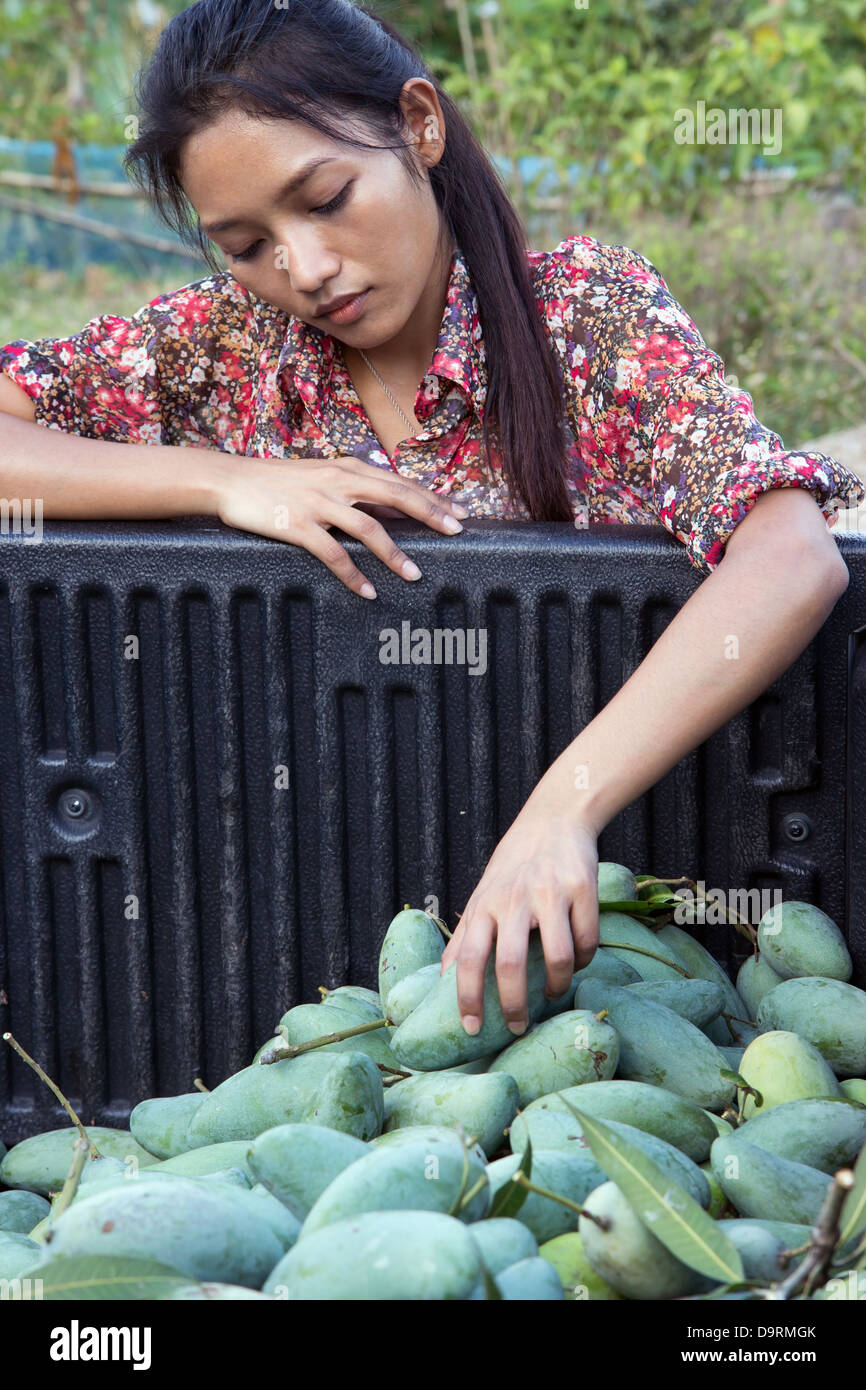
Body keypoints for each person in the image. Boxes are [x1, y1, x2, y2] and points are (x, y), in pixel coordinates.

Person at [0, 0, 862, 1041]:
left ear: (417, 124)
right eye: (248, 244)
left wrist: (563, 808)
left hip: (638, 929)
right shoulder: (223, 347)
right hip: (337, 958)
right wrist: (224, 479)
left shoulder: (585, 319)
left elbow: (790, 552)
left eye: (324, 199)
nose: (303, 268)